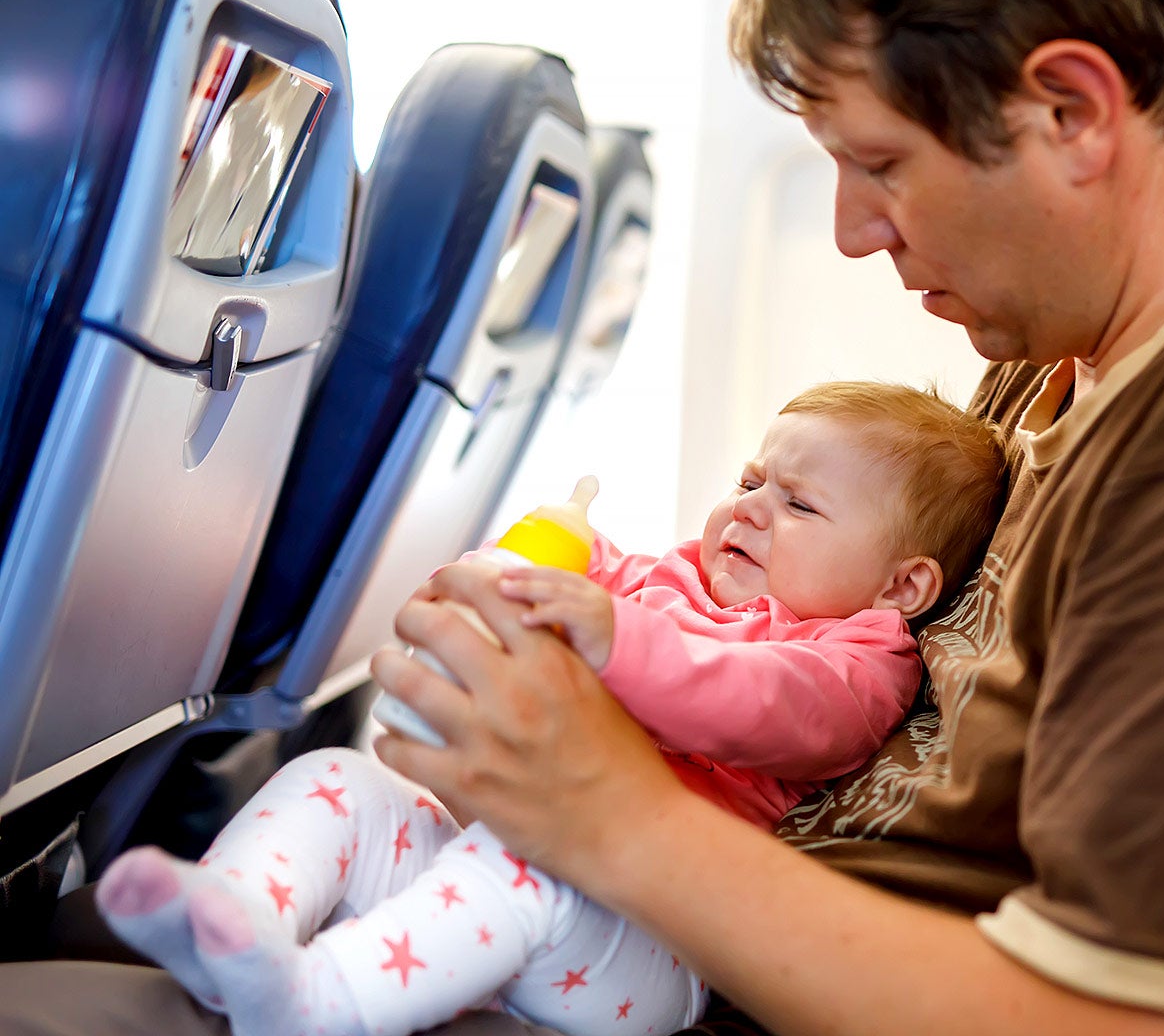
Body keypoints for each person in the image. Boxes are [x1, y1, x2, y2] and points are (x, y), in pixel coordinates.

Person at [0, 0, 1164, 1036]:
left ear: (1073, 108)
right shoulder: (1060, 371)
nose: (851, 230)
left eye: (878, 164)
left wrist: (606, 809)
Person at [89, 381, 1008, 1036]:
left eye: (800, 504)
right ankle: (238, 920)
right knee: (335, 779)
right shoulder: (668, 575)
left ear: (902, 584)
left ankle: (322, 1003)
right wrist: (514, 570)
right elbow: (559, 574)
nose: (751, 508)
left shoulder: (854, 656)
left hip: (651, 948)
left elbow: (766, 710)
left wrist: (613, 637)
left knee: (518, 867)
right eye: (750, 476)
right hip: (517, 865)